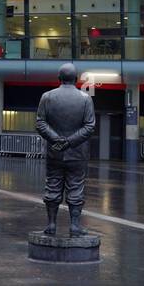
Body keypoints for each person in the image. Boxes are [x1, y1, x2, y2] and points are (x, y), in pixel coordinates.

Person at [35, 63, 95, 237]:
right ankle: (75, 226)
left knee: (52, 186)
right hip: (78, 153)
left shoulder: (47, 97)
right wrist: (70, 142)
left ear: (59, 78)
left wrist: (57, 140)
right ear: (76, 79)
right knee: (76, 188)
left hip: (55, 151)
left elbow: (40, 123)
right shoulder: (85, 99)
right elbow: (90, 126)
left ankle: (51, 224)